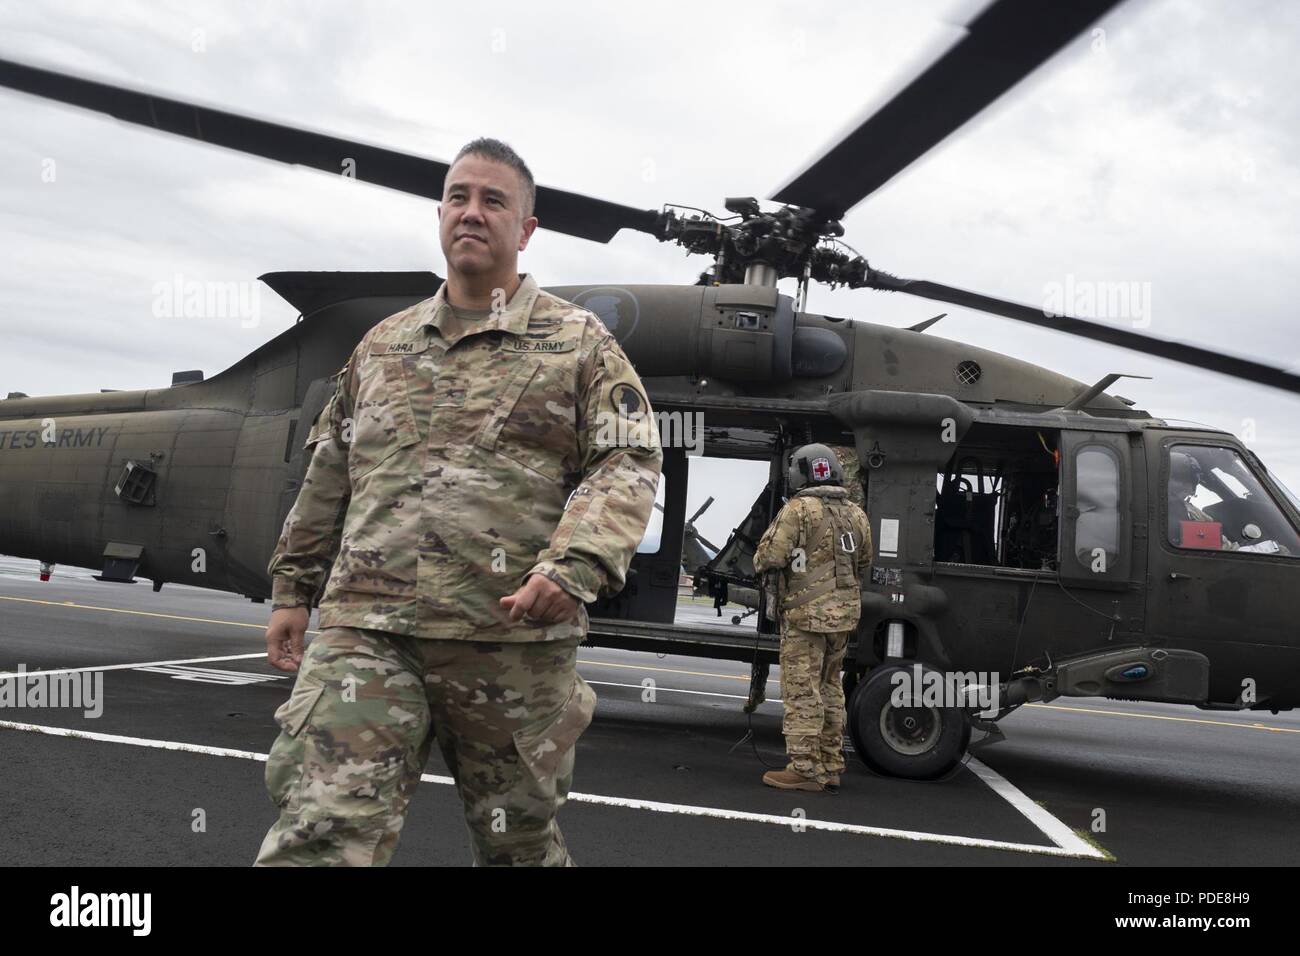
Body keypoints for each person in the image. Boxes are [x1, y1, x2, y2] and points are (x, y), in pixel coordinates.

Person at [254, 138, 662, 866]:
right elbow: (329, 473)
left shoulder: (578, 343)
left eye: (493, 200)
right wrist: (293, 587)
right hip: (368, 632)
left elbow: (626, 458)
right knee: (319, 832)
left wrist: (574, 567)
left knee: (519, 849)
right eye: (457, 197)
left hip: (509, 644)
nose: (471, 212)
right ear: (440, 213)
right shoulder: (380, 347)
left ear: (526, 228)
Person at [753, 444, 872, 792]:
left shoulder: (798, 510)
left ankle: (804, 770)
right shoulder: (857, 514)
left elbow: (769, 556)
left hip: (805, 617)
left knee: (802, 691)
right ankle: (831, 764)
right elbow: (864, 562)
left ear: (801, 474)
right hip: (843, 618)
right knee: (831, 688)